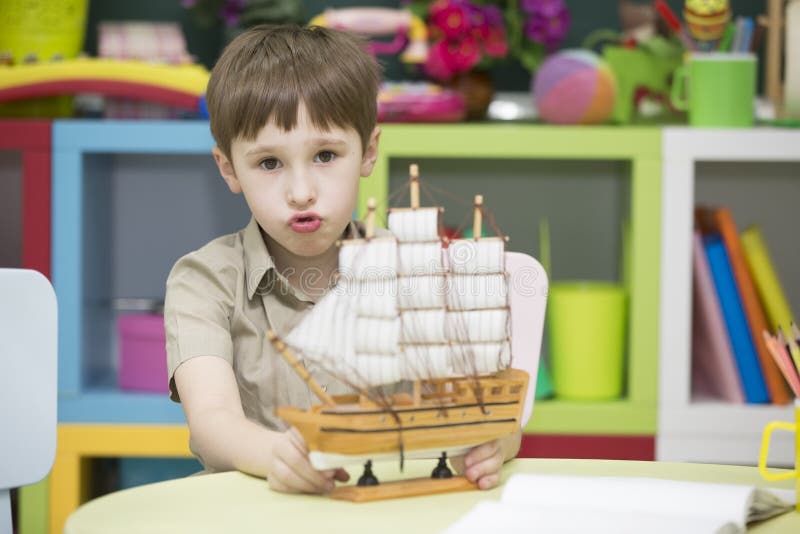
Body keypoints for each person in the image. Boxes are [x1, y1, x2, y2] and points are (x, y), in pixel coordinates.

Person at [164, 24, 521, 495]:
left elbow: (490, 411)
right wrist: (277, 456)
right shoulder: (205, 280)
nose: (301, 192)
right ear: (228, 168)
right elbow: (212, 423)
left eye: (326, 155)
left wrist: (492, 443)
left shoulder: (412, 268)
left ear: (368, 151)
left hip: (392, 511)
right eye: (269, 163)